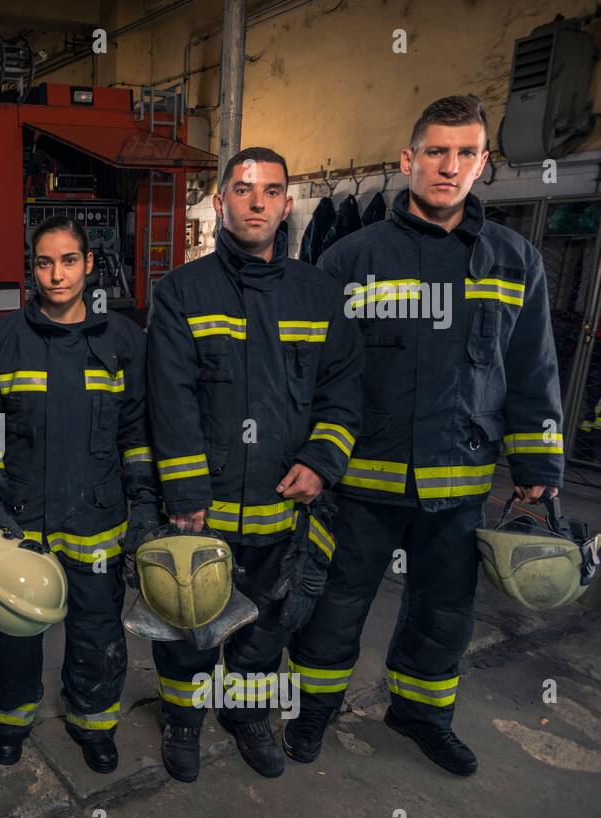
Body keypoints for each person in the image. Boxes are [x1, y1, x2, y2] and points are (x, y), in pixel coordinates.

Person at [286, 96, 563, 776]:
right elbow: (313, 371)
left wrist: (537, 464)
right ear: (408, 159)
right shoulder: (351, 257)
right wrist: (312, 456)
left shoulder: (512, 260)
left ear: (483, 164)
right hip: (359, 482)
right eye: (435, 151)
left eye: (465, 152)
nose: (449, 166)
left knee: (444, 615)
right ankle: (313, 707)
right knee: (334, 606)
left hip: (460, 482)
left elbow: (532, 367)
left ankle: (420, 713)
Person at [148, 146, 362, 782]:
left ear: (287, 202)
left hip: (283, 508)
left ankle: (246, 717)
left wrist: (323, 462)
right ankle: (183, 722)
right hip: (202, 511)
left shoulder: (319, 294)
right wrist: (185, 492)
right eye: (243, 189)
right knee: (189, 624)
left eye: (271, 190)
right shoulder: (182, 291)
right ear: (220, 202)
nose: (257, 201)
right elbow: (170, 397)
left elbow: (345, 392)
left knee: (267, 628)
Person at [0, 215, 158, 774]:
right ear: (33, 267)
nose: (56, 274)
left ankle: (93, 723)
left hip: (98, 517)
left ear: (89, 264)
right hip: (19, 518)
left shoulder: (123, 342)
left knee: (97, 628)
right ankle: (9, 720)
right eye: (44, 262)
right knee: (11, 626)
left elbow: (136, 433)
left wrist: (144, 503)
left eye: (69, 260)